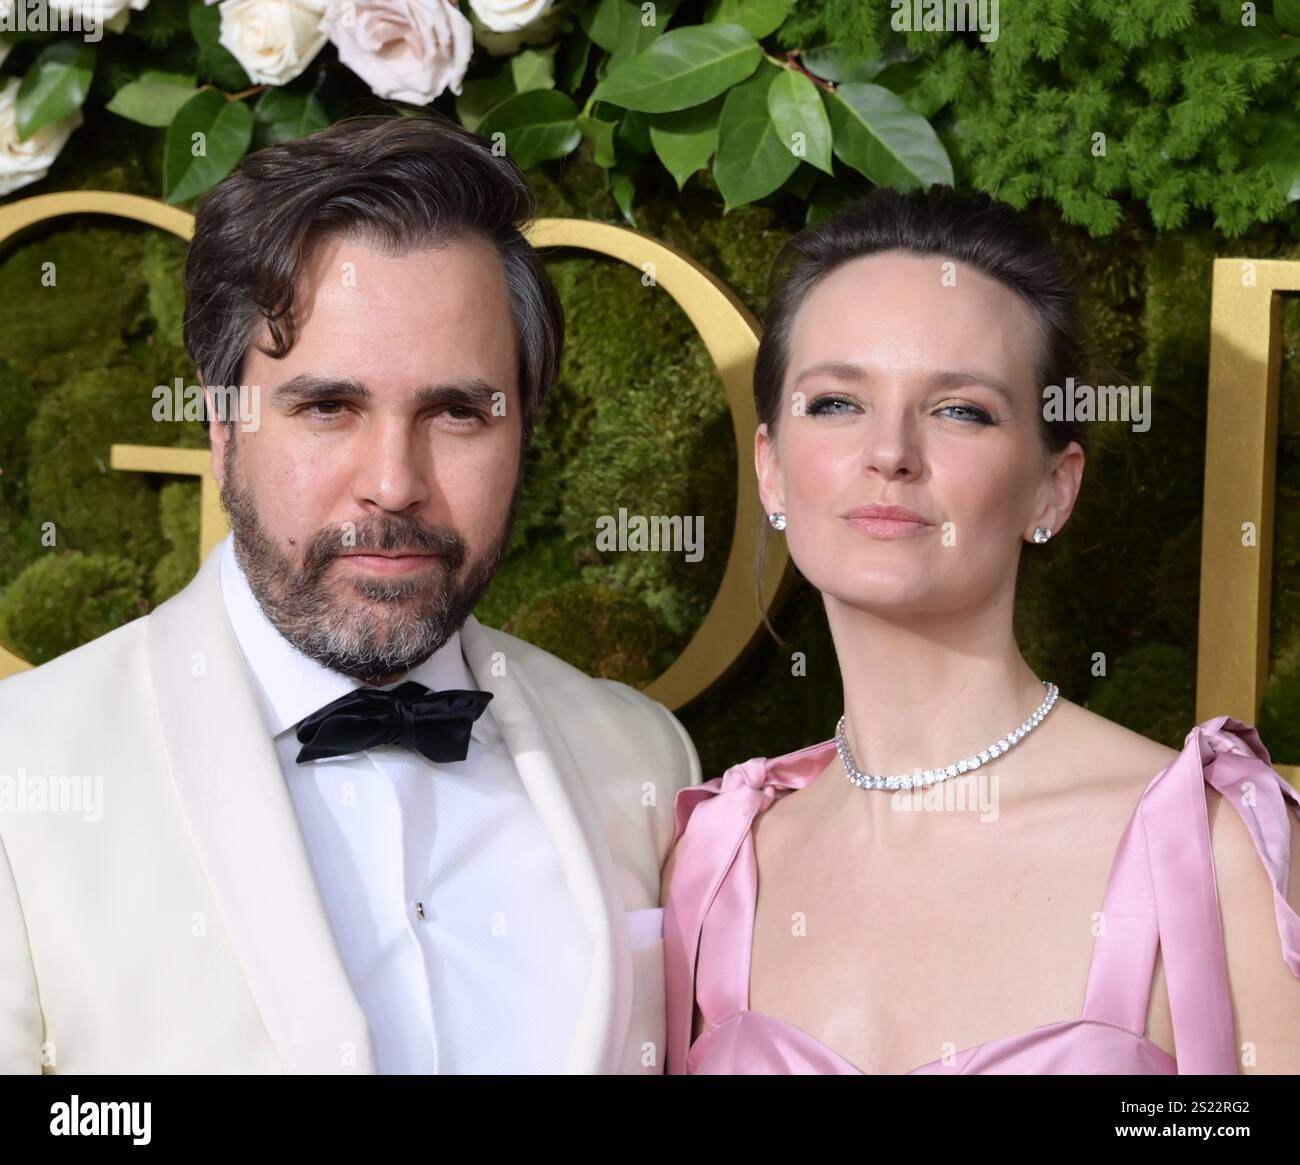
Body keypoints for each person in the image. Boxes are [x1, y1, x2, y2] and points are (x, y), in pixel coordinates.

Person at [0, 114, 698, 1075]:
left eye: (457, 411)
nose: (394, 481)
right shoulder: (20, 773)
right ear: (222, 424)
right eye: (328, 407)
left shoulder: (642, 759)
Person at [660, 187, 1300, 1075]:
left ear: (1053, 488)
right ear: (771, 468)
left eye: (961, 409)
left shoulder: (1208, 846)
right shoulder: (721, 863)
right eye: (837, 402)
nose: (890, 451)